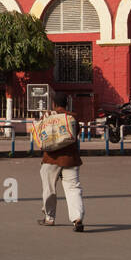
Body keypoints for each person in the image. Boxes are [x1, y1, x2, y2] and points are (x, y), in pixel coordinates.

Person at [38, 92, 85, 232]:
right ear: (66, 104)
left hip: (50, 159)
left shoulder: (48, 117)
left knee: (49, 189)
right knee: (73, 189)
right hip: (70, 159)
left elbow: (42, 134)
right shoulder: (72, 118)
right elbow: (74, 134)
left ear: (54, 104)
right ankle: (77, 218)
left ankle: (49, 218)